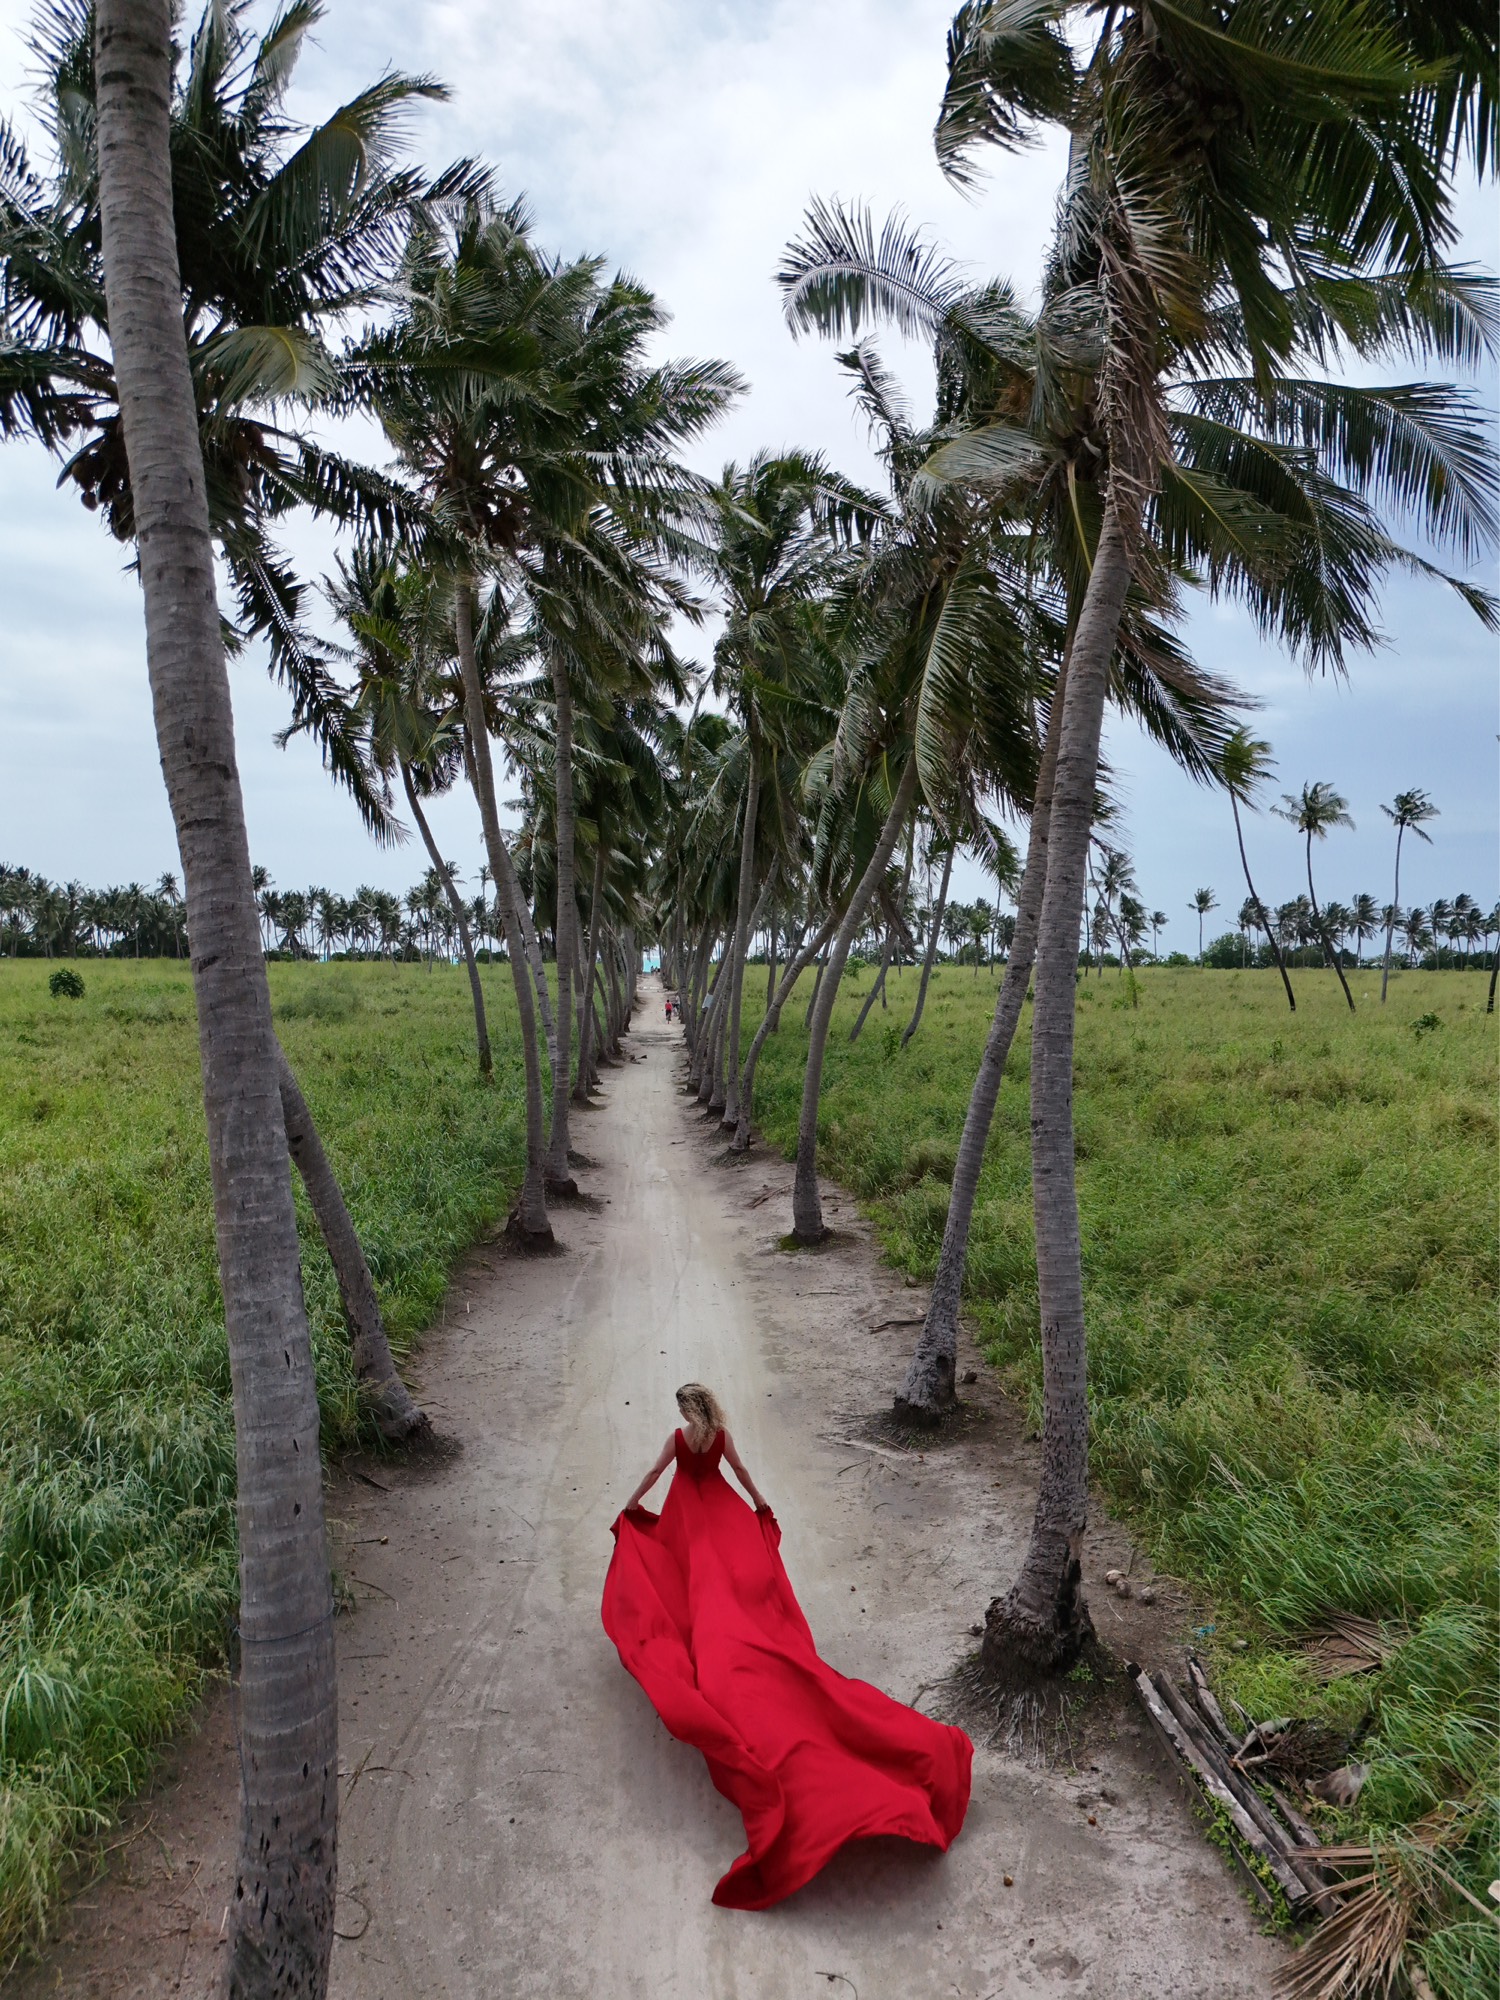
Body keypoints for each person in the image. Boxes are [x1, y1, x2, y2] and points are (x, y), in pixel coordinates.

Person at [602, 1383, 972, 1909]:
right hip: (723, 1513)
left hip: (689, 1516)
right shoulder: (721, 1437)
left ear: (687, 1412)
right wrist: (761, 1506)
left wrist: (631, 1506)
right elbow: (743, 1476)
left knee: (695, 1583)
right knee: (723, 1583)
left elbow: (656, 1475)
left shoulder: (680, 1440)